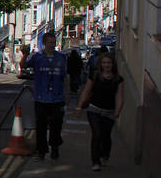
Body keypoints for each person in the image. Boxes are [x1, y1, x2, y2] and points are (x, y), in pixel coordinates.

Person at [77, 52, 124, 170]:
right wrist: (80, 106)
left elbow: (119, 96)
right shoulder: (94, 75)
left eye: (109, 63)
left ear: (113, 64)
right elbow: (86, 91)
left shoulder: (118, 79)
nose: (106, 65)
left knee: (106, 136)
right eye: (104, 63)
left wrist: (118, 111)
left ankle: (105, 155)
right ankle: (95, 162)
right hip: (94, 109)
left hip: (109, 112)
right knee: (97, 134)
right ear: (100, 64)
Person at [25, 32, 68, 160]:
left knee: (56, 125)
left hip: (57, 98)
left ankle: (55, 147)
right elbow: (24, 65)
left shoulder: (61, 57)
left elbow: (65, 77)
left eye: (54, 42)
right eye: (50, 42)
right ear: (44, 43)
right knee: (41, 126)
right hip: (41, 97)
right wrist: (25, 54)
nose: (52, 45)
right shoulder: (37, 57)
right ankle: (41, 151)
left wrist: (68, 95)